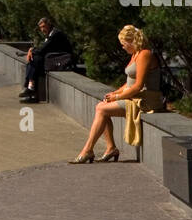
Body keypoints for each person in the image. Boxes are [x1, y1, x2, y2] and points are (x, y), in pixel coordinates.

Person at [69, 24, 162, 163]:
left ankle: (88, 150)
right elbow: (130, 82)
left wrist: (117, 97)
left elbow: (138, 86)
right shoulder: (136, 54)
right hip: (134, 96)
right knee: (103, 106)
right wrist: (115, 92)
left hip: (146, 100)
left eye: (123, 43)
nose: (122, 47)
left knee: (101, 109)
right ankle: (110, 148)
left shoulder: (145, 54)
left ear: (132, 41)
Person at [20, 17, 75, 103]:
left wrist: (31, 50)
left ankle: (30, 88)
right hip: (54, 57)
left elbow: (43, 49)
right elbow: (43, 48)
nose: (42, 29)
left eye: (43, 26)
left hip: (62, 60)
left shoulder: (56, 34)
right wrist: (32, 50)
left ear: (49, 25)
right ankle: (31, 89)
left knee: (34, 60)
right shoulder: (50, 34)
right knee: (34, 60)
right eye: (41, 28)